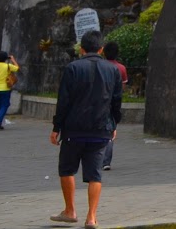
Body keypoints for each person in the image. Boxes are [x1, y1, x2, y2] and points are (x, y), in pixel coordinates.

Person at [50, 31, 121, 229]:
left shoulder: (73, 68)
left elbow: (63, 101)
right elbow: (116, 101)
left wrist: (57, 127)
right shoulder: (112, 70)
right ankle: (91, 217)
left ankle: (70, 210)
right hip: (100, 129)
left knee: (66, 169)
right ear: (101, 49)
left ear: (81, 49)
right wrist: (113, 124)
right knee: (95, 174)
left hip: (74, 129)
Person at [98, 43, 128, 170]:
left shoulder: (99, 66)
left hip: (98, 102)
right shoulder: (121, 68)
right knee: (110, 133)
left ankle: (96, 158)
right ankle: (106, 162)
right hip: (111, 104)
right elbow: (122, 89)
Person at [0, 52, 19, 130]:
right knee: (5, 105)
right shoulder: (7, 66)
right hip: (5, 88)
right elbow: (17, 68)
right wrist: (12, 59)